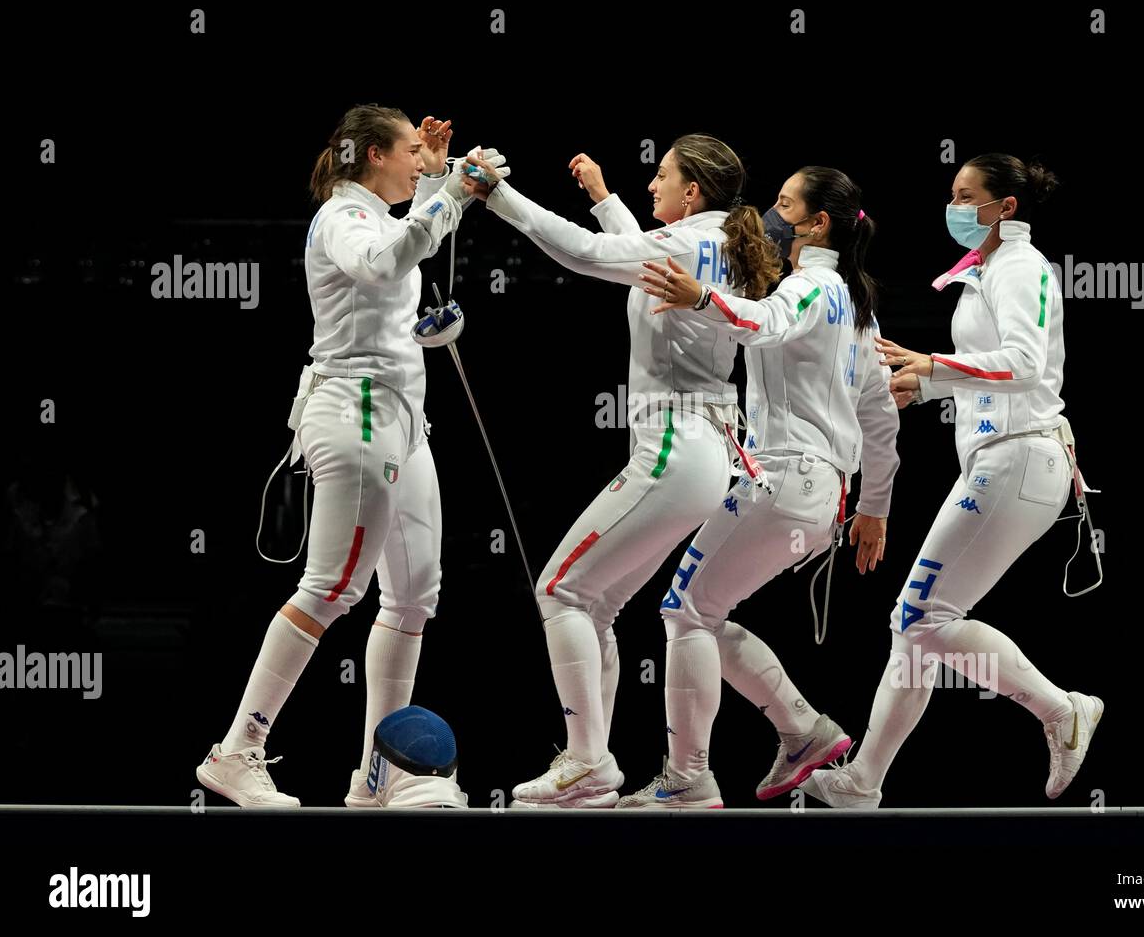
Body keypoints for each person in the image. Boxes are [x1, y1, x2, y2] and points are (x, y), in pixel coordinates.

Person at [461, 136, 783, 807]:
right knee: (595, 601)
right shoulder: (712, 240)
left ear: (692, 191)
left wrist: (497, 195)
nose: (653, 185)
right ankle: (593, 766)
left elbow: (587, 255)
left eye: (662, 176)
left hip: (675, 447)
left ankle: (587, 761)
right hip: (707, 451)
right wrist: (604, 198)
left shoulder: (683, 245)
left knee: (559, 590)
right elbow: (632, 253)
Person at [196, 104, 487, 807]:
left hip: (403, 421)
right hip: (355, 413)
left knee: (416, 596)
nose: (422, 159)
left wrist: (441, 180)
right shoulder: (341, 218)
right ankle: (238, 751)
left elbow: (404, 244)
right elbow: (387, 261)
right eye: (412, 150)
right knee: (331, 587)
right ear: (374, 156)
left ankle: (374, 779)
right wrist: (449, 191)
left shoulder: (380, 213)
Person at [802, 153, 1103, 809]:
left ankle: (1061, 710)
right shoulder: (993, 270)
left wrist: (933, 365)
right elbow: (991, 369)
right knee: (916, 624)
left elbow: (1024, 365)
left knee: (921, 614)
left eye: (968, 197)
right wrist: (925, 383)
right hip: (1004, 458)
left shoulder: (1020, 267)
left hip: (1020, 457)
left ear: (1006, 208)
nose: (955, 207)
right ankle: (863, 782)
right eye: (952, 194)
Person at [615, 166, 899, 808]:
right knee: (702, 613)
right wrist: (874, 508)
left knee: (684, 611)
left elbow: (762, 322)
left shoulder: (813, 286)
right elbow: (881, 420)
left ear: (817, 222)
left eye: (783, 203)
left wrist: (699, 298)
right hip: (820, 495)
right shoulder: (859, 311)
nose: (771, 214)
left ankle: (688, 779)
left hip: (784, 478)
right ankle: (802, 732)